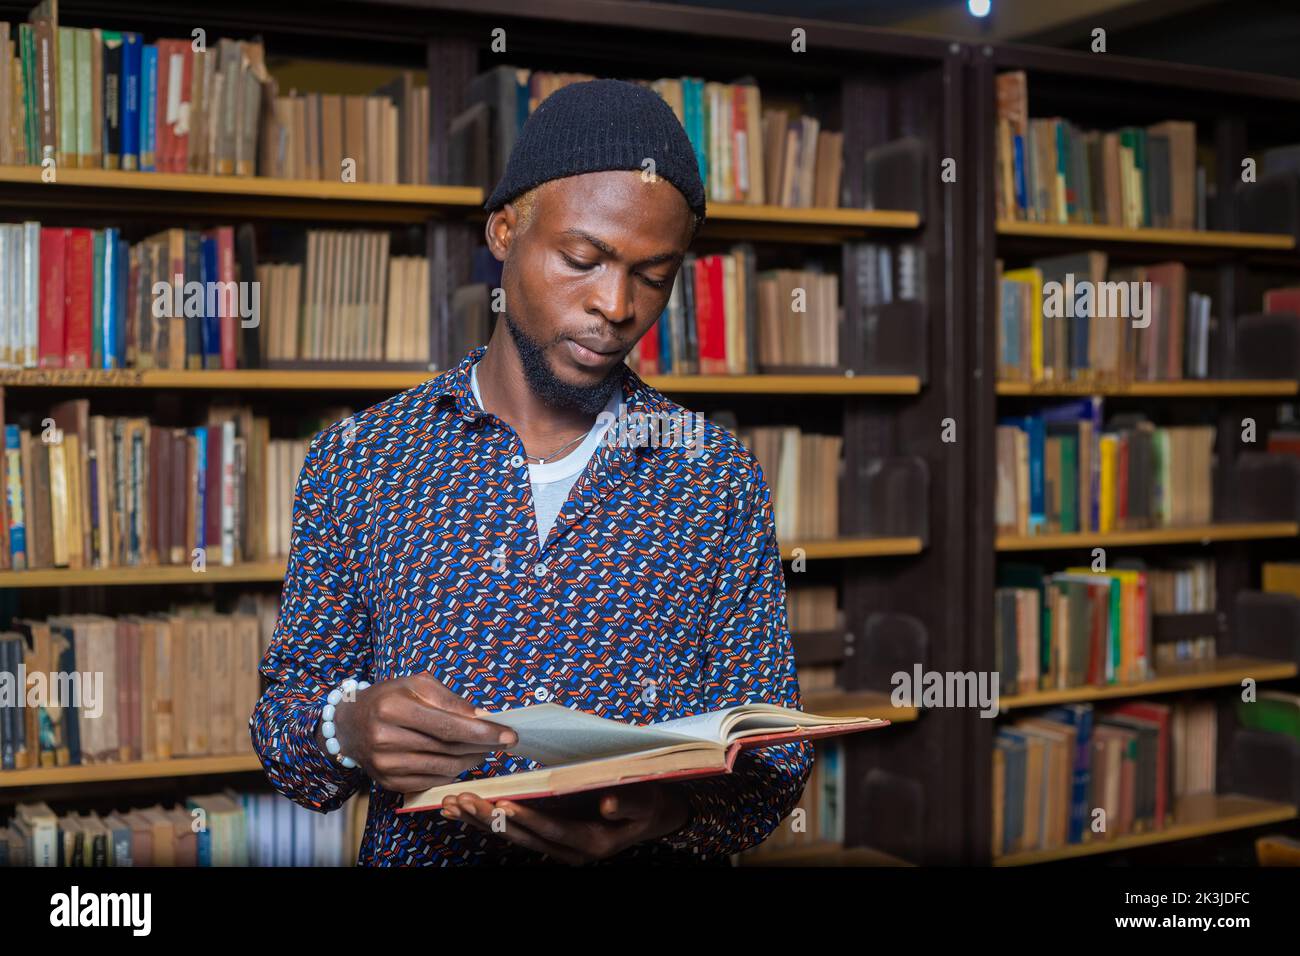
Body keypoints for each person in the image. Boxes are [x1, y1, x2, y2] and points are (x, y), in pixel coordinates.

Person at [250, 77, 812, 865]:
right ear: (505, 231)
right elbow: (283, 732)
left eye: (654, 277)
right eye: (582, 259)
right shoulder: (362, 460)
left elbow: (774, 762)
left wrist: (665, 813)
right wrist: (346, 728)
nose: (615, 306)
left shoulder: (716, 478)